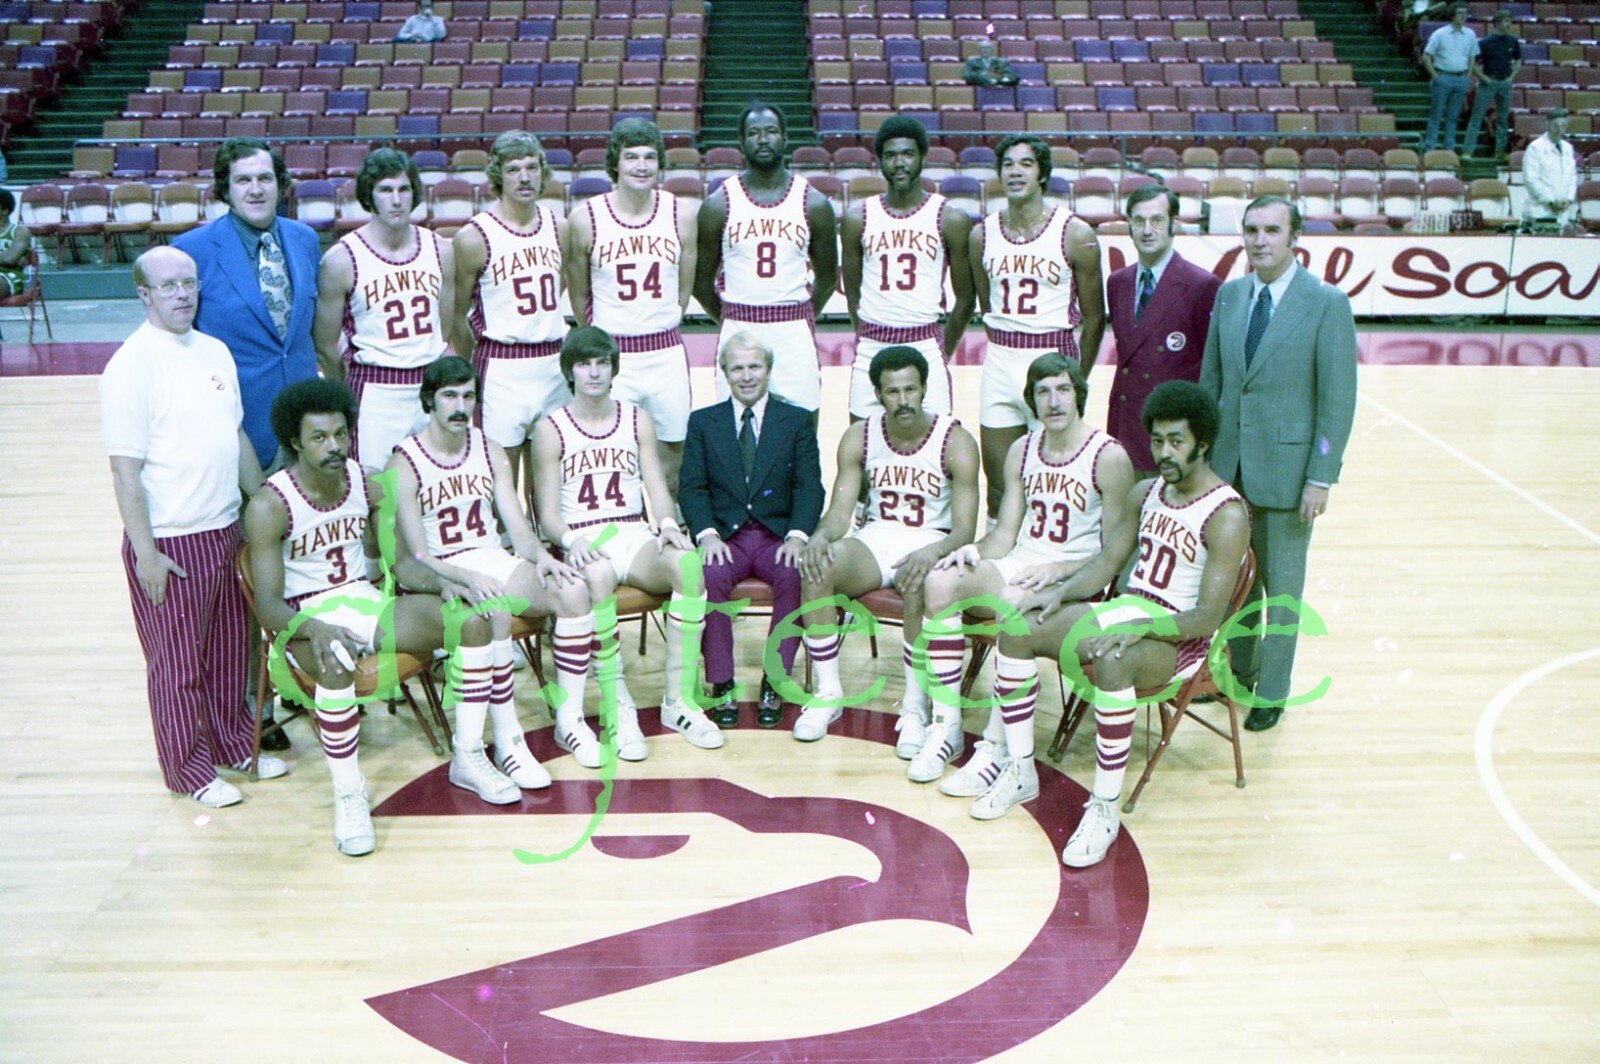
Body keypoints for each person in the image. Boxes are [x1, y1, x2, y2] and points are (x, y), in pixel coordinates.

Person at [985, 381, 1249, 868]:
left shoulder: (1226, 513)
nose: (1163, 452)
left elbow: (1208, 617)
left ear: (1203, 443)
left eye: (1176, 442)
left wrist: (1145, 629)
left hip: (1179, 636)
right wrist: (1058, 593)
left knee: (1111, 658)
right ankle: (1020, 769)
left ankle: (1104, 808)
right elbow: (1107, 563)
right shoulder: (1147, 492)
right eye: (1157, 440)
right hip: (1127, 611)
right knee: (1018, 627)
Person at [245, 378, 498, 855]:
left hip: (365, 604)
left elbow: (401, 565)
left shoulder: (368, 481)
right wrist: (315, 628)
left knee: (471, 620)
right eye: (319, 437)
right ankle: (349, 792)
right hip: (305, 617)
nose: (334, 446)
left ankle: (468, 757)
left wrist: (442, 583)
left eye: (341, 434)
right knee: (337, 659)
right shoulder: (270, 504)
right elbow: (268, 605)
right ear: (295, 440)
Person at [906, 353, 1134, 791]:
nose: (1054, 401)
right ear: (1031, 400)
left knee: (1013, 608)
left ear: (1078, 394)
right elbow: (1004, 535)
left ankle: (995, 746)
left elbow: (1112, 555)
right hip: (1020, 561)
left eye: (1063, 389)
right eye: (1043, 392)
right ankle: (947, 727)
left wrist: (1062, 569)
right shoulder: (1022, 449)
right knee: (940, 581)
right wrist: (971, 552)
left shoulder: (1109, 457)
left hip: (1073, 577)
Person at [100, 247, 277, 810]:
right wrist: (146, 553)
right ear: (144, 295)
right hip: (172, 543)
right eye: (168, 285)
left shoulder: (215, 351)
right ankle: (188, 771)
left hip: (226, 528)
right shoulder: (130, 365)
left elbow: (238, 437)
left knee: (229, 655)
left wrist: (262, 502)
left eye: (189, 283)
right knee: (176, 667)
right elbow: (125, 472)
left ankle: (233, 747)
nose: (182, 294)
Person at [389, 356, 596, 792]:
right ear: (430, 400)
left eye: (467, 396)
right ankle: (508, 740)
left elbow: (516, 527)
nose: (459, 406)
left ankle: (570, 722)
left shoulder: (489, 448)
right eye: (449, 396)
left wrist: (540, 556)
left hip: (491, 558)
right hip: (442, 571)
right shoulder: (405, 460)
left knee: (573, 590)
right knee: (495, 609)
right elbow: (414, 556)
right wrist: (460, 575)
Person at [1199, 195, 1357, 732]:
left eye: (1271, 230)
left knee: (1282, 592)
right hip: (1227, 471)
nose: (1259, 239)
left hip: (1290, 478)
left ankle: (1272, 693)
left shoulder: (1326, 302)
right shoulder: (1230, 296)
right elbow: (1213, 384)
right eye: (1251, 230)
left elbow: (1338, 400)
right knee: (1230, 586)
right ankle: (1233, 675)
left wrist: (1321, 476)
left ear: (1295, 240)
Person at [529, 327, 724, 759]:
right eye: (584, 364)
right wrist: (567, 539)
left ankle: (679, 701)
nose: (594, 373)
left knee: (689, 566)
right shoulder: (551, 428)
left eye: (602, 363)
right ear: (570, 372)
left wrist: (669, 522)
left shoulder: (636, 418)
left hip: (631, 531)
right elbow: (546, 513)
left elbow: (656, 484)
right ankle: (618, 705)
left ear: (614, 369)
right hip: (584, 537)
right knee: (596, 577)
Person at [795, 346, 980, 744]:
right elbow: (840, 512)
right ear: (878, 394)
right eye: (893, 392)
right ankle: (828, 692)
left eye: (910, 390)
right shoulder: (859, 436)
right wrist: (821, 538)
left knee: (918, 581)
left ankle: (915, 706)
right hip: (877, 538)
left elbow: (965, 529)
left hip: (932, 541)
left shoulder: (956, 440)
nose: (903, 400)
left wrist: (932, 552)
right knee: (818, 567)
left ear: (925, 388)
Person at [677, 331, 826, 729]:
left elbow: (810, 486)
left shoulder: (795, 420)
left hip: (778, 537)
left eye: (755, 366)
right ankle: (721, 681)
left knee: (797, 575)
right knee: (707, 575)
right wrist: (706, 533)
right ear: (724, 372)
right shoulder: (702, 422)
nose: (747, 376)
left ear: (769, 370)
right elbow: (691, 486)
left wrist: (797, 535)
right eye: (738, 367)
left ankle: (774, 681)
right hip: (727, 537)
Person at [971, 133, 1105, 519]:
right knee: (997, 482)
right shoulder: (983, 235)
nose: (1015, 171)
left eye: (1026, 164)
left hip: (1052, 360)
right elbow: (987, 304)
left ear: (1043, 174)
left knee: (1053, 479)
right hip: (1000, 361)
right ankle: (1000, 569)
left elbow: (1095, 317)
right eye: (1008, 164)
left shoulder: (1076, 234)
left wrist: (1076, 378)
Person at [566, 118, 699, 493]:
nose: (641, 166)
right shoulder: (586, 218)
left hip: (664, 351)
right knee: (615, 449)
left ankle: (672, 523)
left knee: (674, 446)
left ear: (660, 164)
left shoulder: (681, 214)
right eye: (631, 157)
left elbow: (683, 290)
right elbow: (579, 294)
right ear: (615, 163)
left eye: (649, 157)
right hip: (615, 353)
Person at [173, 137, 320, 472]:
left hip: (305, 425)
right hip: (238, 430)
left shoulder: (305, 240)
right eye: (243, 180)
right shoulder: (191, 250)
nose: (256, 190)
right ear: (226, 189)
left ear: (280, 184)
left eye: (265, 179)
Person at [314, 148, 453, 473]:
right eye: (386, 190)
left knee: (433, 486)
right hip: (374, 387)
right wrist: (349, 384)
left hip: (428, 384)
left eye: (404, 189)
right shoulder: (341, 259)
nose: (396, 200)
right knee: (378, 493)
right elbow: (324, 345)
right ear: (369, 195)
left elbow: (445, 328)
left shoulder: (441, 250)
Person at [695, 101, 839, 415]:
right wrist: (730, 317)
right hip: (739, 326)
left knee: (802, 425)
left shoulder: (813, 203)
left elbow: (828, 277)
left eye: (771, 131)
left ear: (785, 138)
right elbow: (698, 280)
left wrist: (802, 316)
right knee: (735, 429)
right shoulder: (718, 204)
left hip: (793, 330)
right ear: (741, 142)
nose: (763, 140)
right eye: (754, 133)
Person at [451, 131, 568, 489]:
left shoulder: (559, 227)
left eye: (532, 167)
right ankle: (502, 543)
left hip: (552, 361)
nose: (525, 176)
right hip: (501, 365)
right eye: (514, 168)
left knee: (550, 478)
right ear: (497, 175)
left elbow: (559, 284)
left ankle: (551, 542)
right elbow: (456, 315)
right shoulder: (474, 237)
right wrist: (480, 358)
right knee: (500, 476)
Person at [840, 115, 975, 420]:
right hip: (873, 344)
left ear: (922, 157)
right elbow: (853, 295)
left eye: (907, 154)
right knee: (864, 444)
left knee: (936, 446)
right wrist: (865, 334)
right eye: (890, 155)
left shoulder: (949, 217)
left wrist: (942, 349)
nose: (899, 163)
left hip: (925, 342)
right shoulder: (857, 217)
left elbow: (966, 298)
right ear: (879, 161)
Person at [1104, 184, 1222, 475]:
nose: (1147, 230)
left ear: (1174, 226)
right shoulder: (1117, 283)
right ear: (1129, 226)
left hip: (1175, 432)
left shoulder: (1201, 285)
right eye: (1139, 221)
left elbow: (1213, 371)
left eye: (1157, 220)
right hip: (1126, 425)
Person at [1462, 10, 1522, 160]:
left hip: (1504, 83)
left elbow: (1519, 61)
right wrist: (1483, 78)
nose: (1508, 24)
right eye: (1505, 21)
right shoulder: (1485, 42)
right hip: (1488, 82)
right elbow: (1473, 63)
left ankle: (1499, 151)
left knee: (1502, 119)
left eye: (1510, 21)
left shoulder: (1513, 41)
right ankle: (1467, 151)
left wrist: (1511, 77)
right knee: (1477, 117)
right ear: (1496, 24)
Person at [1421, 4, 1478, 153]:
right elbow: (1426, 56)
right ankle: (1430, 149)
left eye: (1465, 13)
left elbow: (1473, 56)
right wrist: (1435, 76)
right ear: (1452, 15)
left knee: (1453, 118)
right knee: (1436, 115)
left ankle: (1449, 149)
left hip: (1461, 78)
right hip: (1443, 76)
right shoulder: (1440, 34)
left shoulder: (1470, 34)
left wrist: (1468, 76)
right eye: (1460, 13)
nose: (1463, 16)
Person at [1522, 108, 1579, 234]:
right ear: (1547, 126)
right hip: (1540, 211)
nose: (1559, 130)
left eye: (1563, 126)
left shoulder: (1568, 148)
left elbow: (1572, 177)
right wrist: (1551, 200)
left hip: (1563, 212)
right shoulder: (1535, 148)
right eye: (1556, 126)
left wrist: (1569, 199)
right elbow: (1531, 180)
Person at [0, 188, 32, 297]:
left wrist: (10, 258)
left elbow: (10, 258)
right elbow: (8, 257)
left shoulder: (20, 231)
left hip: (8, 276)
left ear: (4, 210)